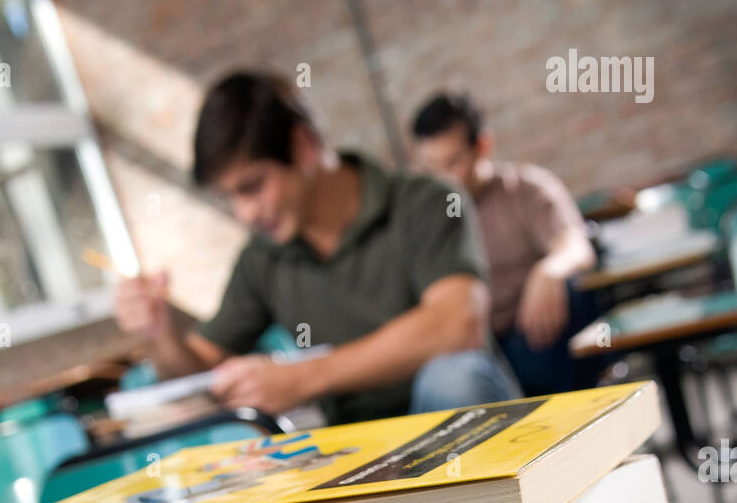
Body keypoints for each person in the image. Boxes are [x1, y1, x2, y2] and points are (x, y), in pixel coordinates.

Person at [114, 72, 520, 423]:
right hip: (367, 455)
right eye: (230, 198)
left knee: (453, 378)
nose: (244, 214)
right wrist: (159, 334)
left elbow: (455, 326)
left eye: (252, 187)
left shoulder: (427, 201)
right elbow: (198, 371)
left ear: (304, 145)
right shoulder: (263, 257)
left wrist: (302, 378)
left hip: (468, 425)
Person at [409, 91, 599, 396]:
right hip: (471, 348)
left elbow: (577, 247)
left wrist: (548, 270)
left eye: (453, 162)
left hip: (532, 335)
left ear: (482, 146)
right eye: (433, 167)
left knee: (568, 303)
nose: (443, 178)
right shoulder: (427, 218)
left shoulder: (525, 188)